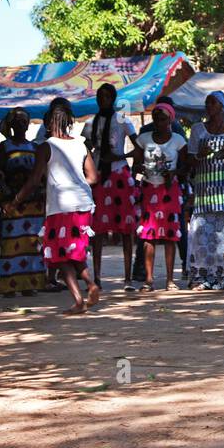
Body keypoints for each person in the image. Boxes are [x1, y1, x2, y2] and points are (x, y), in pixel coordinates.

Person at [7, 101, 100, 314]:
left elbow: (33, 180)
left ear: (48, 122)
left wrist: (15, 202)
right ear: (69, 122)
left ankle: (80, 297)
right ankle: (88, 286)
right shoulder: (81, 144)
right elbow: (93, 177)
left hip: (59, 206)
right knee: (75, 250)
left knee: (59, 254)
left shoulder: (46, 146)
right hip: (83, 204)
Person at [82, 83, 139, 292]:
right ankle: (97, 277)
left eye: (107, 96)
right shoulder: (90, 123)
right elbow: (84, 149)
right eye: (100, 96)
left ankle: (128, 278)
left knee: (126, 228)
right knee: (97, 228)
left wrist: (121, 157)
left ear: (113, 99)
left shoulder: (122, 119)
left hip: (119, 175)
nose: (103, 99)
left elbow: (138, 147)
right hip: (99, 176)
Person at [186, 91, 224, 290]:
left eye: (213, 102)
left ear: (222, 106)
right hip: (204, 195)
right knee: (202, 237)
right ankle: (202, 278)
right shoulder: (197, 130)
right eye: (207, 102)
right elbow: (189, 161)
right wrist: (200, 155)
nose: (208, 106)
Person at [133, 102, 186, 291]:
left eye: (162, 118)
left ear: (170, 119)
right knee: (149, 234)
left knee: (170, 235)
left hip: (169, 191)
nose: (158, 122)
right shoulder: (144, 139)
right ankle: (148, 280)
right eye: (155, 118)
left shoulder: (179, 141)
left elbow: (185, 168)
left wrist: (173, 174)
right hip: (149, 189)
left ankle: (170, 280)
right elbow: (135, 167)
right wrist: (140, 171)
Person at [0, 108, 47, 296]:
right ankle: (9, 285)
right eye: (17, 120)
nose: (21, 123)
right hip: (12, 202)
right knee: (11, 243)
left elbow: (40, 175)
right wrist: (6, 195)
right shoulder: (5, 147)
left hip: (33, 203)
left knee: (32, 243)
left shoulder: (34, 147)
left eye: (24, 120)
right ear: (11, 124)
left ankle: (29, 283)